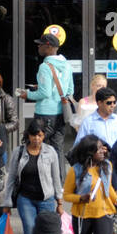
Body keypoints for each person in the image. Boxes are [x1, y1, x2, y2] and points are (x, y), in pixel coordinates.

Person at [3, 117, 63, 234]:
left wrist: (60, 202)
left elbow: (56, 178)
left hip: (46, 199)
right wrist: (7, 203)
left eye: (40, 136)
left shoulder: (50, 152)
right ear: (28, 136)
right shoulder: (18, 152)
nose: (36, 139)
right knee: (30, 231)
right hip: (25, 199)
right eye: (33, 135)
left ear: (44, 136)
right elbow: (11, 179)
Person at [18, 31, 74, 162]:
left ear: (48, 47)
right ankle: (59, 180)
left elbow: (45, 93)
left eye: (40, 45)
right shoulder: (66, 65)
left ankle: (38, 179)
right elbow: (70, 89)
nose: (38, 47)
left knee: (35, 146)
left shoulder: (44, 67)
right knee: (57, 149)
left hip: (44, 114)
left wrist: (27, 94)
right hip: (60, 113)